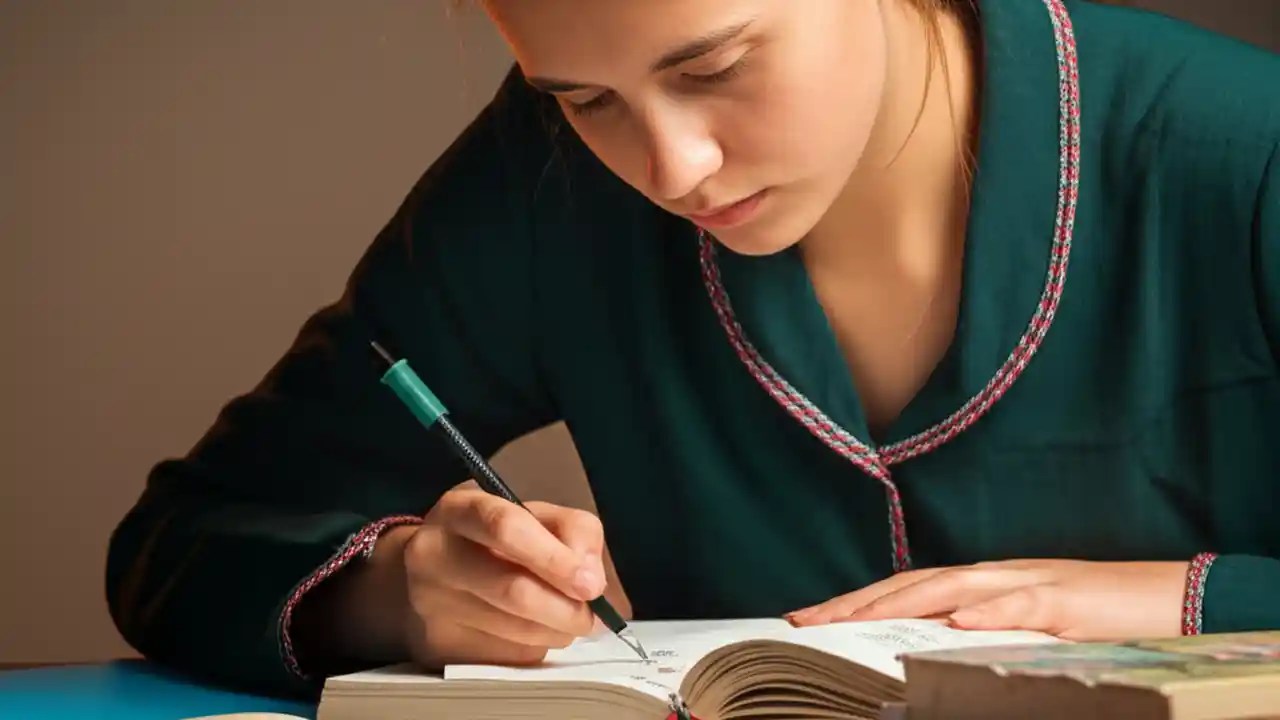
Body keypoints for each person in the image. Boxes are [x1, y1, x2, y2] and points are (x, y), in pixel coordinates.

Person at [105, 0, 1280, 700]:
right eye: (584, 99)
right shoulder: (540, 184)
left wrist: (1189, 601)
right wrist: (397, 595)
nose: (671, 171)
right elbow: (187, 537)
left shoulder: (1244, 151)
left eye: (712, 67)